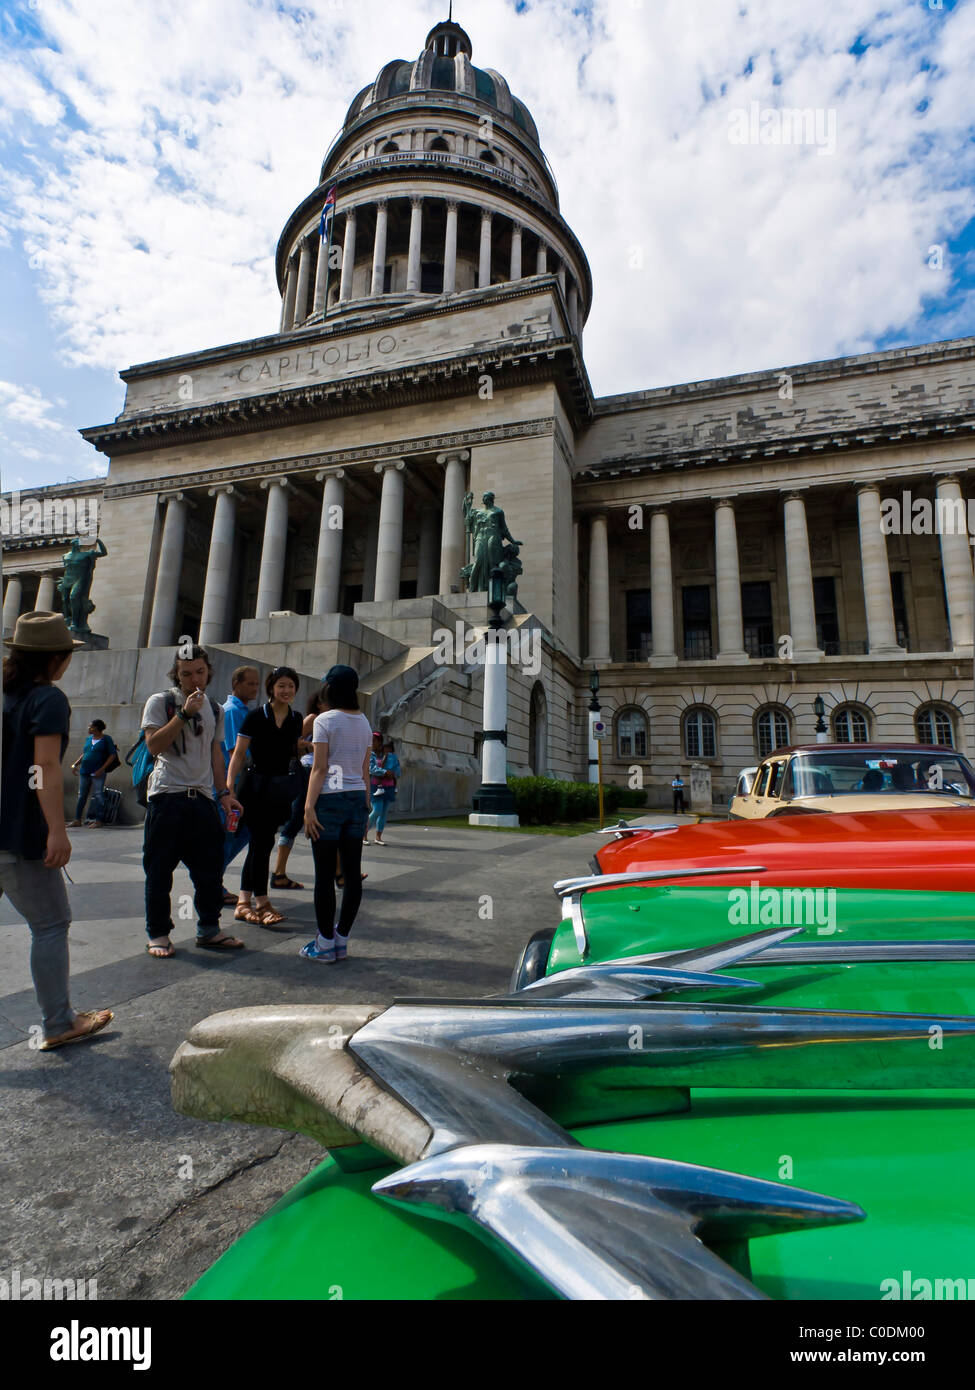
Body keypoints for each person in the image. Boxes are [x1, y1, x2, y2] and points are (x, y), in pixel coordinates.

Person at [0, 611, 113, 1049]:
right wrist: (56, 830)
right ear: (58, 658)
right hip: (20, 834)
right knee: (50, 924)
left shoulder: (8, 695)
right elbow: (43, 766)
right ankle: (59, 1022)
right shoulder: (46, 699)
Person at [141, 644, 244, 958]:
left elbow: (216, 753)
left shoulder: (216, 709)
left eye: (200, 672)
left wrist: (224, 793)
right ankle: (158, 933)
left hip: (201, 798)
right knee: (159, 870)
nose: (194, 679)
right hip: (167, 796)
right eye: (186, 674)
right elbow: (154, 746)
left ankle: (209, 929)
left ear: (208, 671)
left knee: (210, 869)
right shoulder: (161, 702)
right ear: (177, 674)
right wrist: (183, 713)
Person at [300, 664, 372, 963]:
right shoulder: (365, 722)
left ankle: (324, 942)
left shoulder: (325, 720)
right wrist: (366, 809)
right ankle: (341, 939)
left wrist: (308, 807)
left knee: (325, 875)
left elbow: (319, 768)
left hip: (329, 798)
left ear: (329, 687)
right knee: (352, 874)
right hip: (356, 798)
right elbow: (365, 771)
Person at [227, 666, 303, 928]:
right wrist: (229, 786)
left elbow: (291, 751)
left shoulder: (296, 719)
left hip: (279, 790)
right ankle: (262, 903)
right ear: (271, 687)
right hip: (256, 787)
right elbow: (238, 754)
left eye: (291, 686)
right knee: (261, 843)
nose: (286, 690)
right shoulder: (256, 716)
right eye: (281, 685)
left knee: (261, 845)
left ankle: (243, 902)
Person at [220, 665, 260, 904]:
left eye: (257, 684)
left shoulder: (242, 710)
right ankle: (212, 881)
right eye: (250, 683)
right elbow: (238, 751)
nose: (255, 688)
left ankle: (213, 880)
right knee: (233, 834)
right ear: (236, 684)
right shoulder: (233, 711)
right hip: (234, 785)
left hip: (238, 784)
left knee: (240, 833)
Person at [68, 718, 118, 827]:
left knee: (98, 795)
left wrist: (101, 769)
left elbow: (112, 755)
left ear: (97, 728)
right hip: (84, 771)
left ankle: (98, 820)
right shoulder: (88, 739)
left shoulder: (106, 739)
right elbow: (85, 753)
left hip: (98, 772)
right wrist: (75, 764)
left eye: (91, 726)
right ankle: (77, 819)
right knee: (81, 796)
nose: (89, 728)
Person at [366, 736, 400, 845]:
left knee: (384, 812)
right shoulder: (371, 755)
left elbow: (397, 771)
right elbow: (371, 769)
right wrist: (385, 772)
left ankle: (378, 837)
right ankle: (363, 834)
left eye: (374, 741)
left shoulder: (391, 757)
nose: (372, 743)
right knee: (376, 810)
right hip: (376, 786)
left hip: (388, 786)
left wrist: (393, 773)